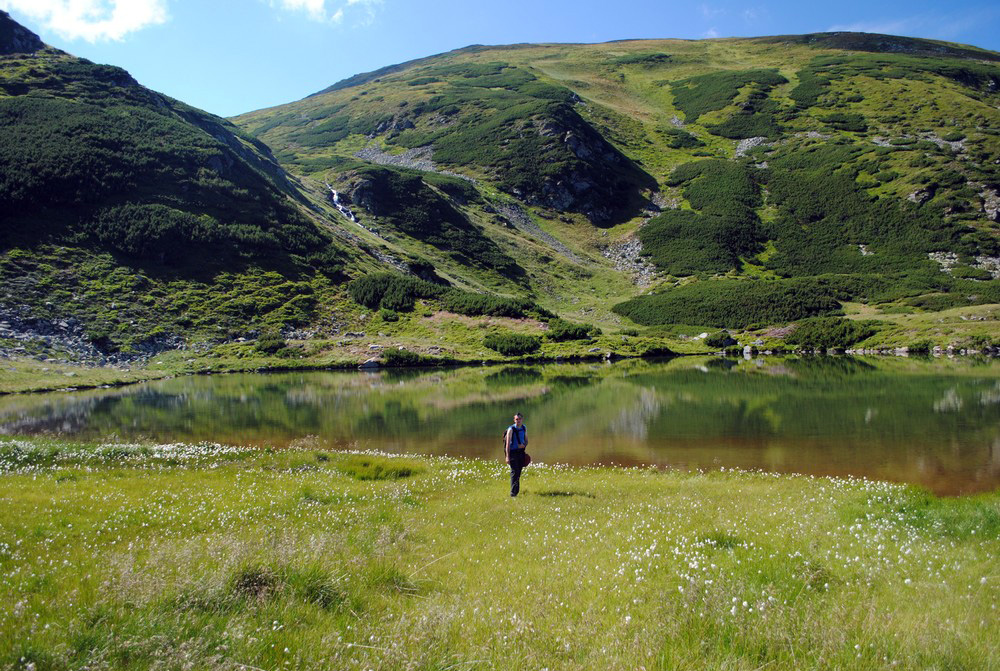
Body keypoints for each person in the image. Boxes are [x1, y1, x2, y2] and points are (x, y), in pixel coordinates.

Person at [504, 412, 528, 497]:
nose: (518, 421)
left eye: (520, 419)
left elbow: (526, 440)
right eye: (517, 419)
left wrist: (524, 445)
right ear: (514, 420)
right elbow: (507, 444)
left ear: (522, 419)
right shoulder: (511, 429)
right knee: (514, 472)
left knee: (519, 472)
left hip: (521, 452)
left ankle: (516, 492)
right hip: (513, 453)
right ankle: (513, 493)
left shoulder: (524, 428)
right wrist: (507, 457)